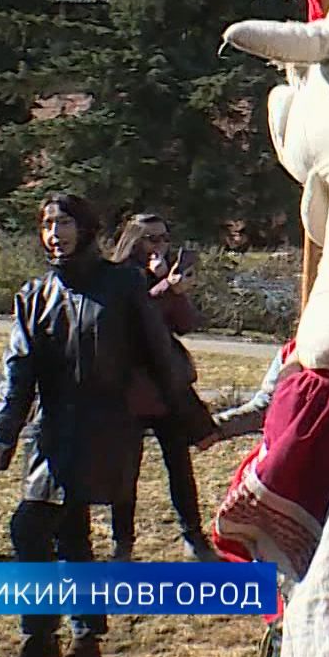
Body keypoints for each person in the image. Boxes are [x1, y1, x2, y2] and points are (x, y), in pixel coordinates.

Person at [0, 194, 217, 657]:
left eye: (64, 222)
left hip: (105, 431)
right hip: (51, 434)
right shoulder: (35, 295)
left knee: (31, 527)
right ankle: (82, 638)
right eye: (47, 223)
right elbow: (17, 372)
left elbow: (161, 355)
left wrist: (194, 420)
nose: (55, 232)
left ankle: (43, 638)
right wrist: (1, 433)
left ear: (85, 228)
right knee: (66, 533)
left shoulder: (122, 285)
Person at [105, 213, 211, 562]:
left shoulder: (163, 276)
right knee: (125, 470)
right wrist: (166, 288)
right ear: (133, 240)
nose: (159, 246)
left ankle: (193, 536)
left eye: (164, 238)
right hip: (128, 388)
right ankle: (123, 543)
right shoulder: (116, 276)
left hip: (163, 386)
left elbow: (186, 324)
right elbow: (131, 317)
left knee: (179, 465)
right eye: (151, 239)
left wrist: (176, 290)